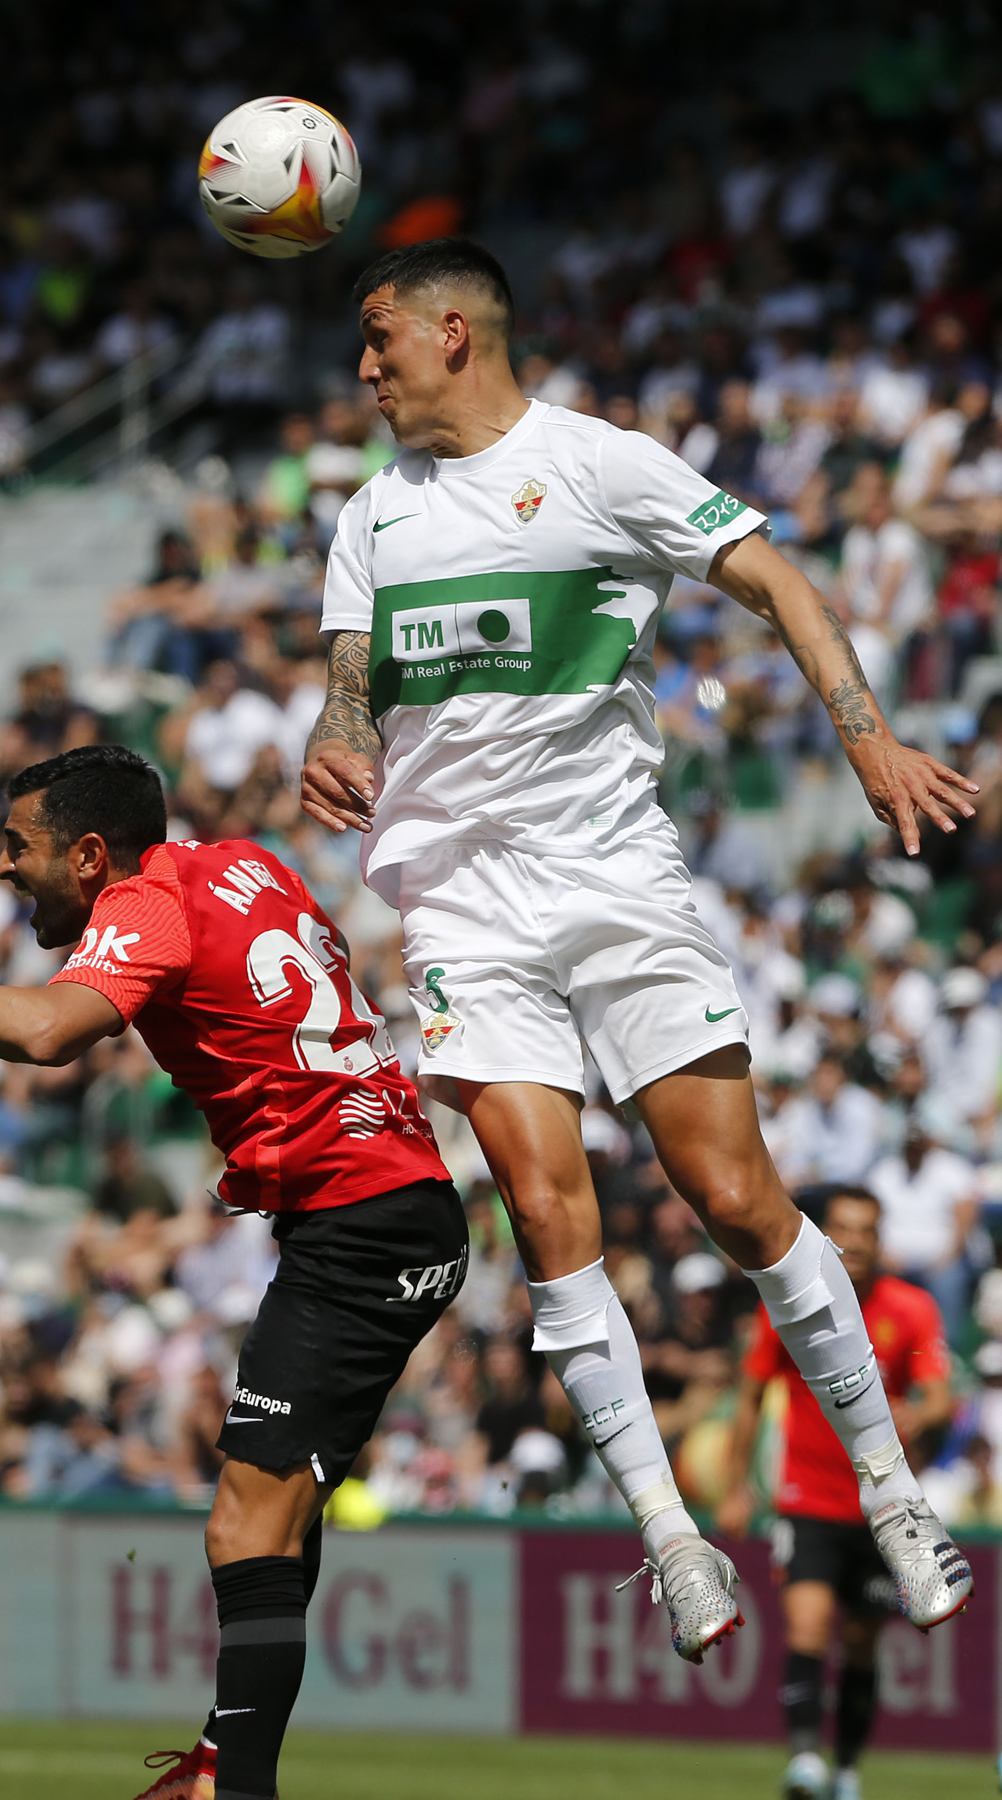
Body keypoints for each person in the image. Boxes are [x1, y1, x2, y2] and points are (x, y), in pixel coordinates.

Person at [300, 236, 975, 1659]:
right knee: (547, 1215)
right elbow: (353, 684)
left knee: (734, 1198)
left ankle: (893, 1493)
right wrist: (335, 736)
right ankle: (672, 1538)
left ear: (454, 333)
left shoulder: (602, 464)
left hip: (616, 878)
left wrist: (867, 740)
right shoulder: (372, 516)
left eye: (380, 338)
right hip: (462, 904)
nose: (364, 369)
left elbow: (781, 584)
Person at [0, 742, 466, 1800]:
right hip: (390, 1200)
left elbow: (50, 1033)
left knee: (243, 1525)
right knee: (278, 1519)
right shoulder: (245, 863)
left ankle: (232, 1786)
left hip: (361, 1222)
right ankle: (227, 1760)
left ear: (90, 855)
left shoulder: (147, 901)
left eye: (19, 846)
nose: (3, 866)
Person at [717, 1188, 956, 1800]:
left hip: (880, 1508)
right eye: (842, 1228)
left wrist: (917, 1414)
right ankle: (805, 1761)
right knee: (807, 1627)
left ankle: (846, 1771)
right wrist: (737, 1485)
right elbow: (750, 1394)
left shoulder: (911, 1308)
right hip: (807, 1500)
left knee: (861, 1644)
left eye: (865, 1230)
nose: (853, 1241)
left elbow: (940, 1397)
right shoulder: (791, 1301)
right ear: (826, 1235)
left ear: (880, 1238)